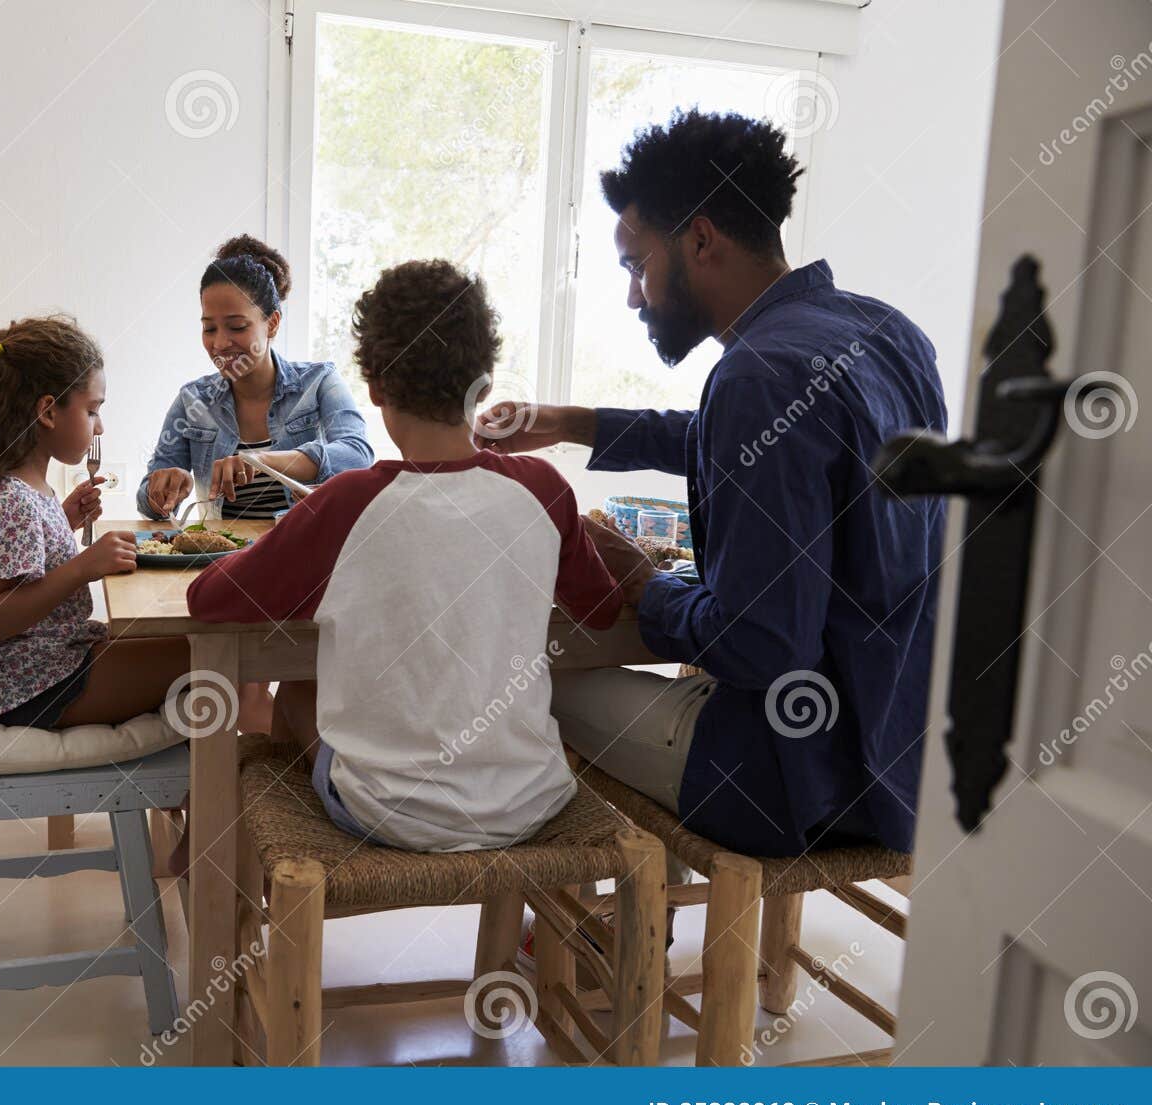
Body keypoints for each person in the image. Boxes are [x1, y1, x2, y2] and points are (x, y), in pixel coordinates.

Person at [483, 109, 947, 863]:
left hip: (787, 781)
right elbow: (742, 445)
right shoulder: (886, 333)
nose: (634, 296)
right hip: (903, 762)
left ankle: (603, 926)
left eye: (637, 264)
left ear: (701, 240)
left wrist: (640, 581)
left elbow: (761, 645)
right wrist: (567, 420)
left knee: (531, 686)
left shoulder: (756, 376)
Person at [186, 260, 623, 851]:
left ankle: (254, 862)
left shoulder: (345, 504)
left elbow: (209, 602)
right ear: (485, 385)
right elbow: (600, 612)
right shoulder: (545, 490)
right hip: (528, 798)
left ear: (375, 387)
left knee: (296, 692)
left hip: (386, 811)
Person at [0, 316, 190, 730]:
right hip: (26, 686)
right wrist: (82, 566)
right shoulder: (15, 500)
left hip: (25, 673)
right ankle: (204, 790)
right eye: (93, 411)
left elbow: (16, 569)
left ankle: (189, 790)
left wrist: (63, 519)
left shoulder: (21, 484)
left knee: (191, 648)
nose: (100, 426)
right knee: (206, 655)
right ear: (47, 411)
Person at [137, 234, 374, 521]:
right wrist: (162, 489)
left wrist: (260, 461)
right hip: (226, 560)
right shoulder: (192, 401)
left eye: (237, 327)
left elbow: (357, 454)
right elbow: (148, 503)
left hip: (307, 553)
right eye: (209, 329)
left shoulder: (319, 382)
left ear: (272, 323)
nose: (220, 343)